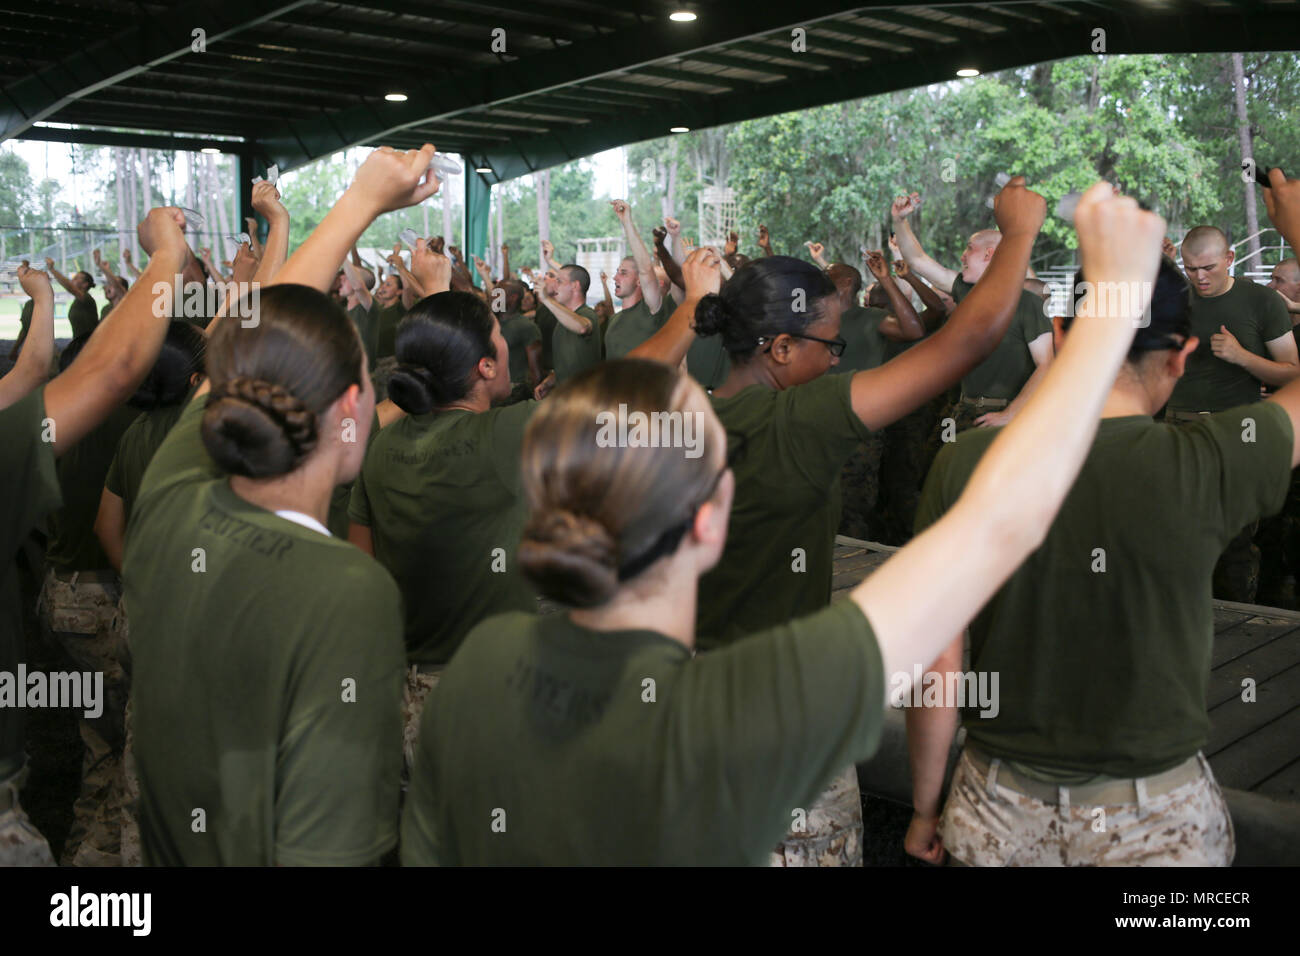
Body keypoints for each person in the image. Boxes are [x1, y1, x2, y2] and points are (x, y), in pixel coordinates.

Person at [400, 180, 1163, 865]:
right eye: (827, 347)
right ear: (707, 522)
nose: (835, 361)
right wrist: (1108, 301)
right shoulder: (777, 695)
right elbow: (997, 519)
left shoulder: (485, 669)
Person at [629, 177, 1050, 864]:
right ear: (781, 349)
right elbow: (966, 341)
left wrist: (688, 310)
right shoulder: (802, 419)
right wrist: (1019, 234)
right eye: (830, 344)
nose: (835, 358)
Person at [904, 170, 1300, 867]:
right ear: (1181, 357)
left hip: (998, 808)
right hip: (1155, 823)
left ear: (1060, 332)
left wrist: (925, 808)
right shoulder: (1212, 461)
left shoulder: (964, 464)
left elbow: (938, 661)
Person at [124, 145, 441, 865]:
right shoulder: (343, 588)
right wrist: (358, 200)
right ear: (355, 405)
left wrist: (355, 203)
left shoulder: (170, 503)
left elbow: (253, 336)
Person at [0, 216, 192, 865]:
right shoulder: (143, 429)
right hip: (102, 604)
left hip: (59, 601)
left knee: (100, 741)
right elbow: (108, 368)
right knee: (130, 745)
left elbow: (66, 366)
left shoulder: (63, 430)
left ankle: (90, 848)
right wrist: (168, 253)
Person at [348, 284, 536, 778]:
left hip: (403, 700)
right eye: (497, 337)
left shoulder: (382, 449)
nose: (505, 344)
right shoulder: (501, 436)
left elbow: (361, 577)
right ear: (485, 365)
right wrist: (690, 307)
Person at [1166, 225, 1299, 603]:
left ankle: (1239, 631)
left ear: (1230, 259)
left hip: (1238, 434)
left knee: (1234, 545)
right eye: (1191, 269)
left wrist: (1242, 357)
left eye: (1208, 267)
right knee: (1178, 539)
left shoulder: (1262, 302)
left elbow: (1293, 373)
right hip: (1179, 430)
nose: (1199, 277)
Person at [891, 192, 1055, 433]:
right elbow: (916, 260)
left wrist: (1009, 414)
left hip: (1005, 415)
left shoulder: (1028, 305)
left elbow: (1046, 365)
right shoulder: (965, 290)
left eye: (969, 249)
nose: (962, 256)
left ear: (988, 254)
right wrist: (899, 221)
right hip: (964, 412)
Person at [603, 199, 669, 358]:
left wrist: (627, 222)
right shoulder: (614, 320)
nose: (615, 277)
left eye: (623, 273)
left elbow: (646, 269)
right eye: (618, 272)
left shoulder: (651, 310)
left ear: (639, 280)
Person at [532, 263, 602, 398]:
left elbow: (582, 327)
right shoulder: (562, 321)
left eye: (559, 281)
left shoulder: (587, 314)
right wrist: (550, 381)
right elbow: (569, 365)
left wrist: (546, 299)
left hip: (585, 398)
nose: (555, 285)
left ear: (575, 286)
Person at [495, 279, 543, 402]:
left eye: (499, 293)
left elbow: (535, 369)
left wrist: (534, 399)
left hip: (514, 391)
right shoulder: (490, 321)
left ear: (513, 298)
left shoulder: (526, 326)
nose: (494, 295)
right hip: (490, 389)